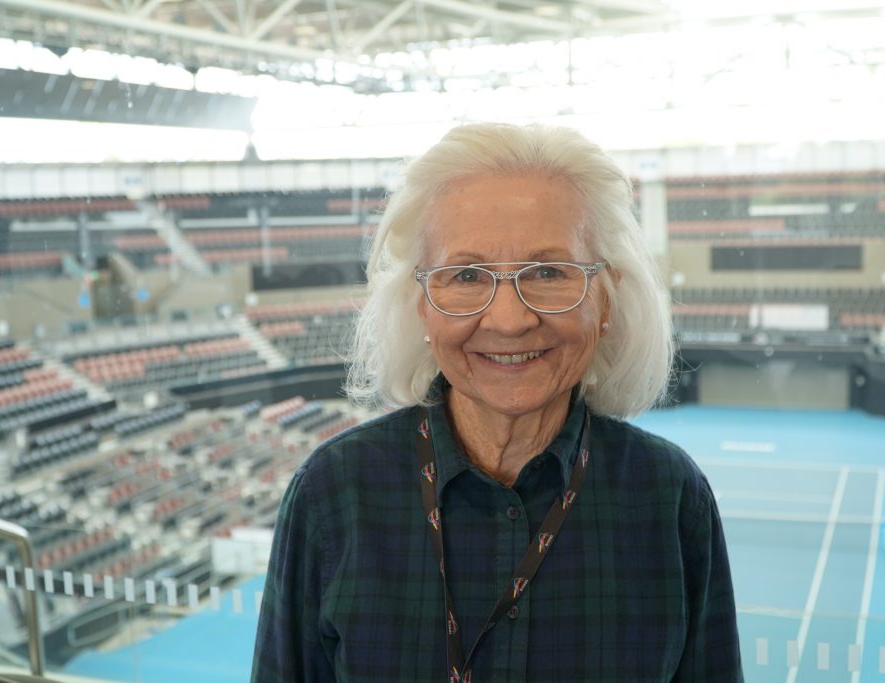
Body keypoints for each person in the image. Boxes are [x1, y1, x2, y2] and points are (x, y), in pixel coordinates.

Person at [251, 122, 743, 682]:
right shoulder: (333, 493)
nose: (509, 320)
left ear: (605, 299)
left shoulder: (671, 497)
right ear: (423, 306)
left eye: (549, 272)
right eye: (465, 275)